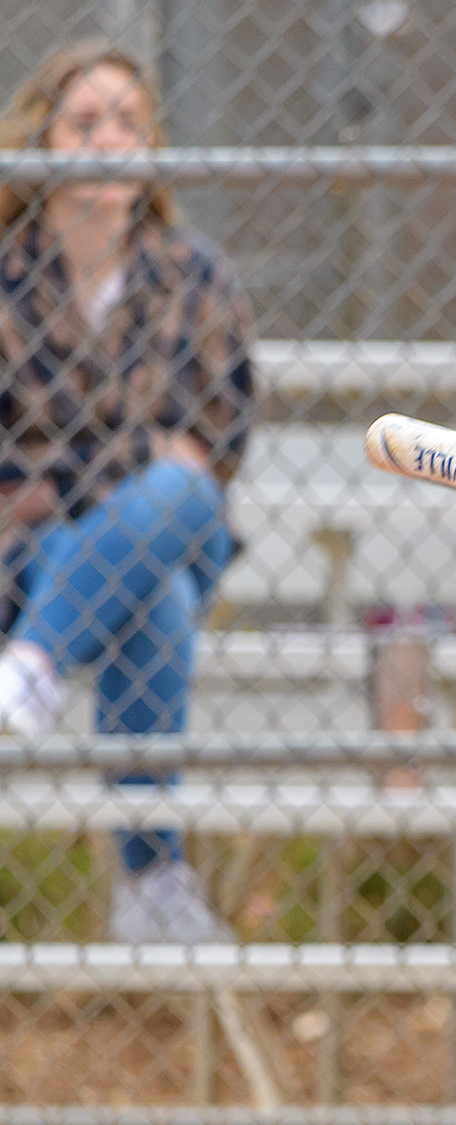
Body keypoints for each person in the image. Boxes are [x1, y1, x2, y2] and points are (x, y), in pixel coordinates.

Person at [0, 42, 257, 943]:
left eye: (128, 122)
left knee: (180, 498)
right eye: (85, 121)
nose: (109, 139)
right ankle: (152, 878)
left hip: (158, 523)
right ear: (39, 141)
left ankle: (30, 667)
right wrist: (130, 465)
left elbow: (216, 440)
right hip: (25, 555)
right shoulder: (4, 274)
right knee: (157, 598)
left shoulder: (195, 275)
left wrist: (65, 475)